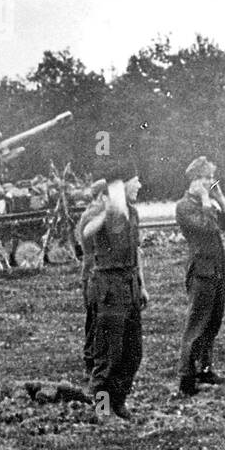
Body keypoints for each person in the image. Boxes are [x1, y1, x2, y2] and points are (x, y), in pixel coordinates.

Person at [81, 165, 147, 420]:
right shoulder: (102, 209)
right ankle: (101, 409)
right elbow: (86, 232)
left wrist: (142, 285)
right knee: (108, 354)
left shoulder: (132, 212)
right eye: (135, 182)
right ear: (121, 186)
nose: (139, 186)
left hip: (129, 286)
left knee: (132, 353)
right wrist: (106, 213)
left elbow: (137, 250)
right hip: (108, 288)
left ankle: (118, 402)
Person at [175, 157, 225, 397]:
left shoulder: (209, 202)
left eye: (212, 177)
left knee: (213, 323)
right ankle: (186, 377)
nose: (211, 182)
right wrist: (205, 200)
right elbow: (209, 227)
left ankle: (205, 368)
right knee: (196, 324)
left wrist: (220, 199)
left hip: (219, 269)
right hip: (201, 271)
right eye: (206, 178)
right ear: (194, 180)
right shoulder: (184, 206)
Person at [73, 179, 108, 387]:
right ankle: (90, 363)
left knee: (95, 319)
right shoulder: (94, 215)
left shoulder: (90, 212)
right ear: (102, 195)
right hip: (94, 268)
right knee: (95, 320)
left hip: (92, 268)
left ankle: (92, 362)